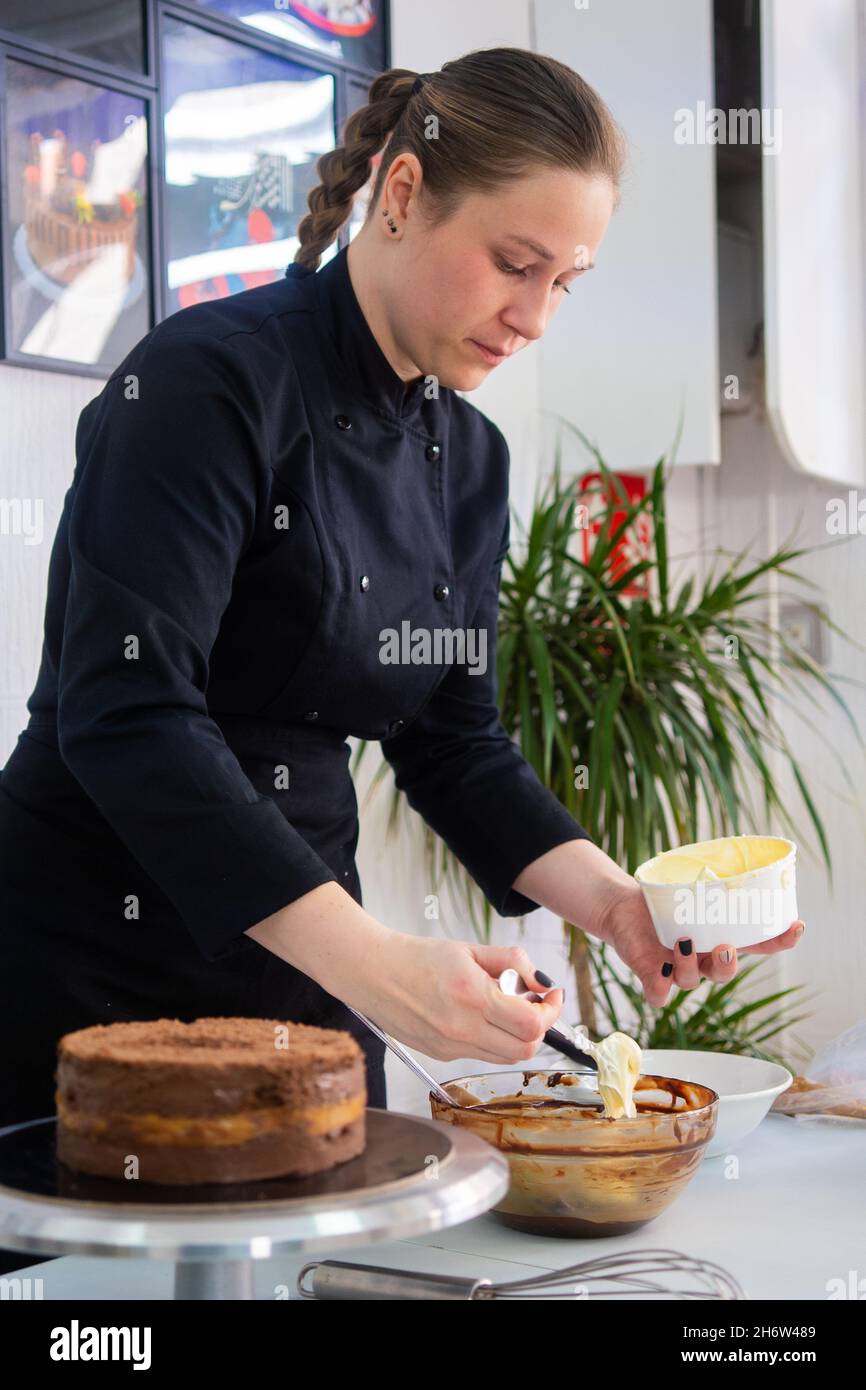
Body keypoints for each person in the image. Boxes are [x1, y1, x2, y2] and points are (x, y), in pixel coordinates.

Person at [0, 47, 805, 1171]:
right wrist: (376, 962)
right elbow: (127, 712)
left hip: (306, 967)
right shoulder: (202, 383)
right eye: (513, 264)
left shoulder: (467, 458)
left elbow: (451, 739)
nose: (533, 315)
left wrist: (616, 902)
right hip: (93, 953)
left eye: (563, 281)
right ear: (403, 195)